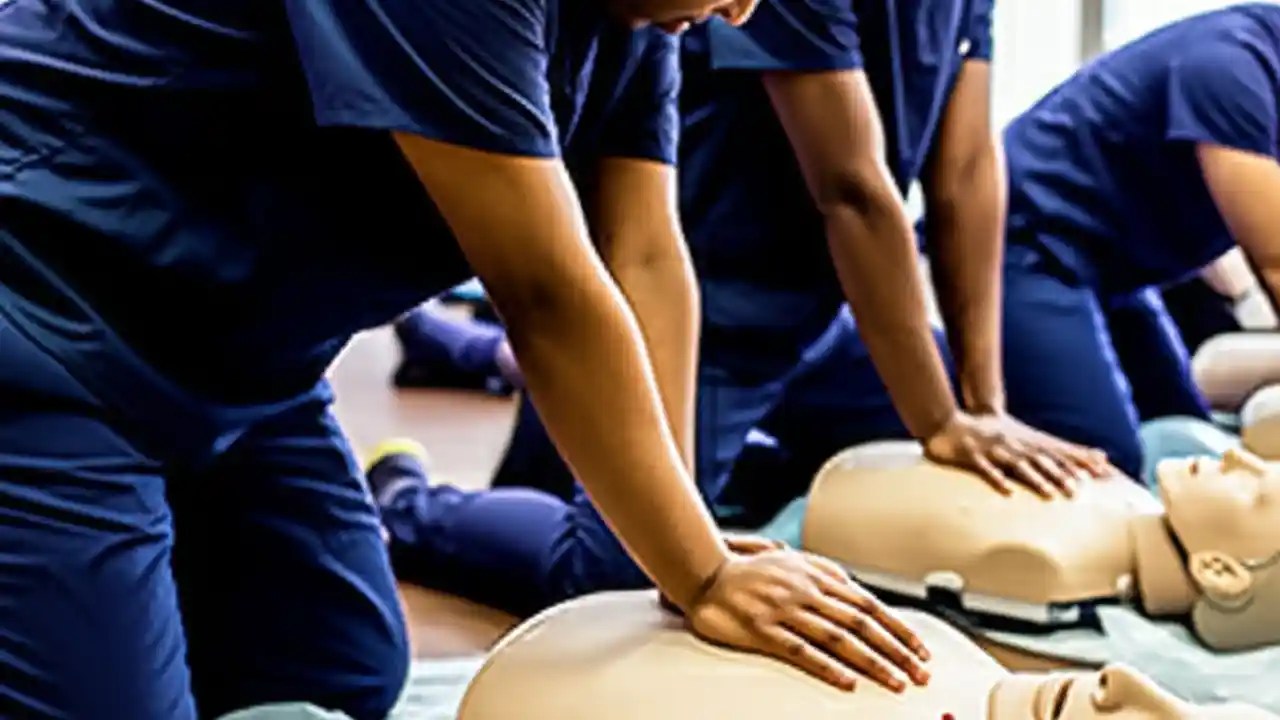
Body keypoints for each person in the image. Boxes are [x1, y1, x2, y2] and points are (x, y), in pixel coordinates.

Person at [0, 0, 943, 716]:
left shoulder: (638, 23)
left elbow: (646, 253)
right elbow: (546, 295)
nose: (743, 13)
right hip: (48, 314)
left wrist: (683, 538)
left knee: (345, 667)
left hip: (247, 365)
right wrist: (701, 575)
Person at [373, 0, 1113, 634]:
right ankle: (406, 499)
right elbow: (852, 190)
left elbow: (967, 170)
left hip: (819, 318)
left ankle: (467, 352)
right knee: (617, 573)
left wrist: (980, 407)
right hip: (708, 319)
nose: (736, 12)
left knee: (1022, 457)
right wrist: (696, 562)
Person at [991, 3, 1280, 479]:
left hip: (1119, 271)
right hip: (1030, 243)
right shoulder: (1231, 64)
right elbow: (1275, 262)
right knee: (1101, 457)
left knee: (1187, 441)